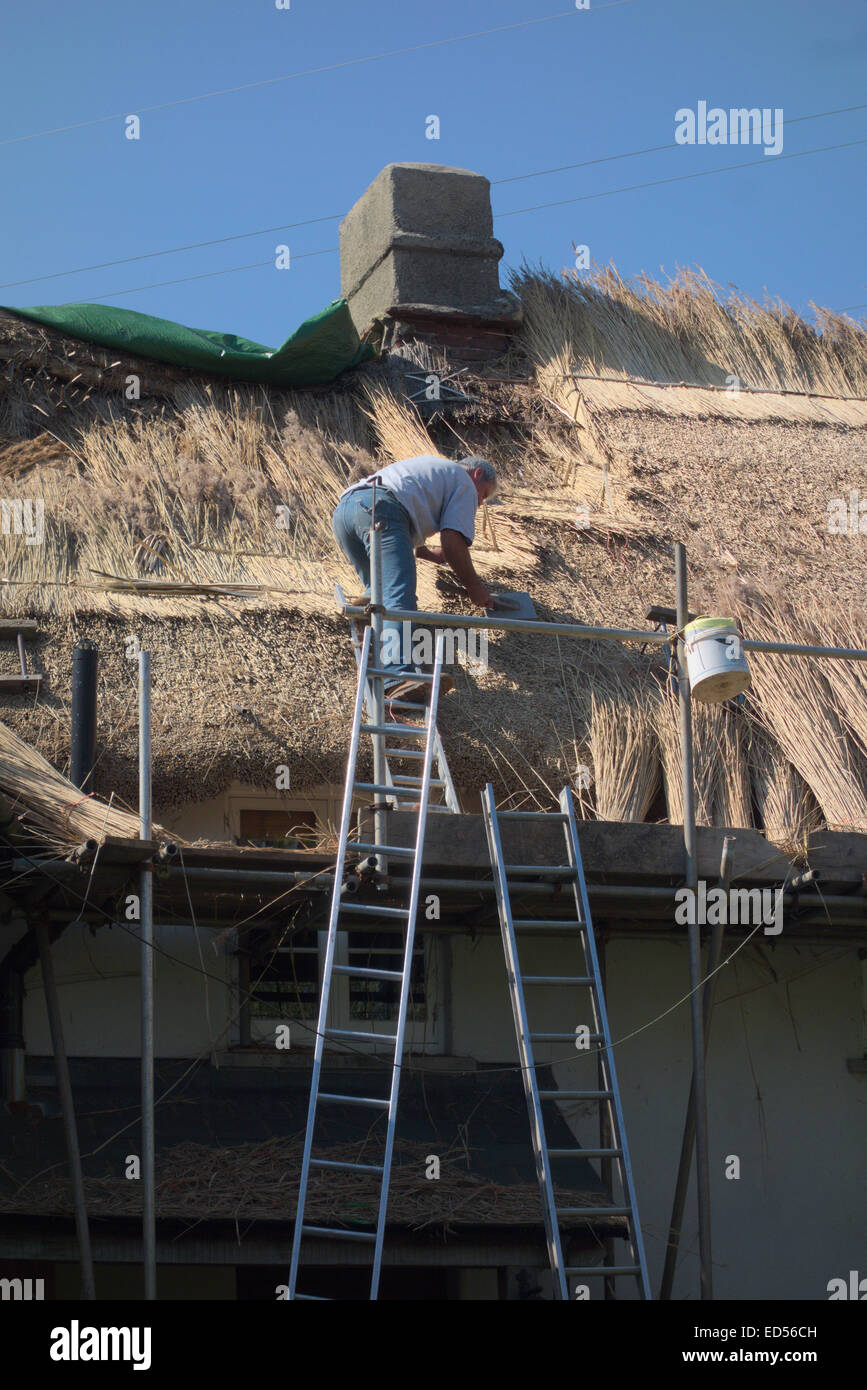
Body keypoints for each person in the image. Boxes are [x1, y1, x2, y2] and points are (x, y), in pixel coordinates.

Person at [332, 454, 497, 701]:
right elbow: (453, 541)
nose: (480, 503)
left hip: (346, 513)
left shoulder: (438, 474)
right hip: (382, 512)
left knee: (380, 593)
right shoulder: (463, 482)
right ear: (476, 475)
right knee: (398, 598)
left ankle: (367, 612)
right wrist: (475, 587)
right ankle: (396, 677)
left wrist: (431, 554)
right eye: (483, 495)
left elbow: (421, 544)